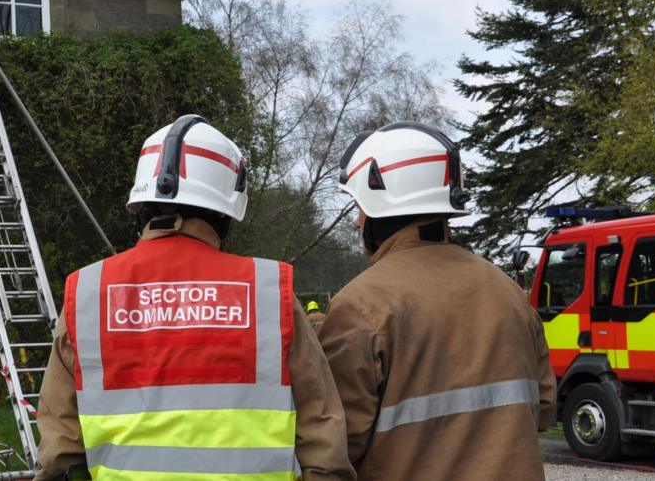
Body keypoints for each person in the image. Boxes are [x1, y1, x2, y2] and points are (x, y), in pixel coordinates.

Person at [35, 115, 356, 481]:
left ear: (141, 204)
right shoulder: (266, 289)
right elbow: (323, 436)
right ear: (225, 208)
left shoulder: (89, 292)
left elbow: (59, 449)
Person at [318, 121, 555, 480]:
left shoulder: (362, 305)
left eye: (360, 206)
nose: (356, 221)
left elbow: (338, 443)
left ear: (384, 198)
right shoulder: (509, 292)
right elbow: (545, 408)